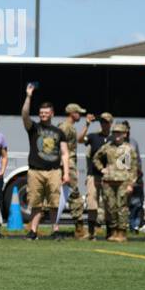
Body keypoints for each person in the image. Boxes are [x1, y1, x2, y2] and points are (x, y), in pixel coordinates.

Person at [20, 85, 69, 240]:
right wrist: (28, 96)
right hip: (35, 171)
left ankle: (55, 230)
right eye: (41, 113)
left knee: (54, 203)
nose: (43, 115)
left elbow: (65, 153)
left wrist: (66, 173)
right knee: (36, 203)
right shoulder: (33, 128)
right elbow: (24, 115)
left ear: (52, 114)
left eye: (46, 113)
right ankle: (33, 231)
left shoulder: (59, 132)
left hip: (54, 171)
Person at [92, 121, 139, 243]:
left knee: (122, 207)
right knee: (110, 207)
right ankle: (113, 231)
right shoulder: (108, 146)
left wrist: (131, 184)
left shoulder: (129, 148)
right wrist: (102, 169)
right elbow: (96, 157)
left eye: (119, 132)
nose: (117, 135)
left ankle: (122, 232)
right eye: (115, 132)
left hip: (123, 181)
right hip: (108, 181)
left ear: (125, 134)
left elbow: (134, 167)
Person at [52, 102, 88, 239]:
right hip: (66, 163)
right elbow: (58, 147)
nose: (80, 115)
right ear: (72, 113)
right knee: (74, 195)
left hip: (69, 163)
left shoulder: (69, 127)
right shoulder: (65, 127)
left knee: (61, 194)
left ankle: (35, 225)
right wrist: (65, 167)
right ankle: (79, 228)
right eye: (78, 113)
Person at [83, 112, 114, 239]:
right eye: (102, 122)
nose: (103, 124)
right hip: (93, 175)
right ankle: (91, 233)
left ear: (111, 123)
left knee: (109, 205)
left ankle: (109, 233)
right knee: (92, 204)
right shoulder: (93, 136)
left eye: (106, 122)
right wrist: (87, 125)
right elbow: (80, 140)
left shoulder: (114, 138)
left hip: (110, 177)